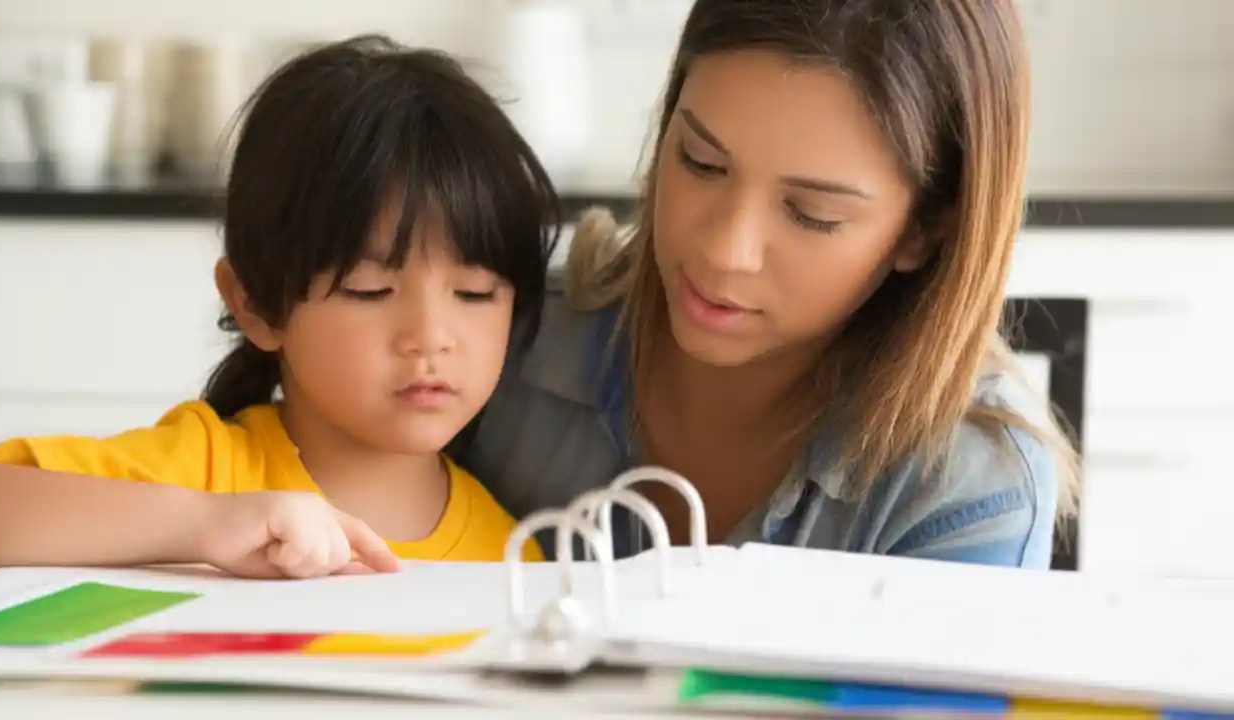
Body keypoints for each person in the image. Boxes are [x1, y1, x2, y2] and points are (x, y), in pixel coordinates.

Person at [457, 0, 1079, 568]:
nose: (725, 252)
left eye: (812, 214)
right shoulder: (497, 336)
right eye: (701, 163)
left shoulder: (971, 489)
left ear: (923, 232)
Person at [0, 35, 557, 579]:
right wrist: (201, 525)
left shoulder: (514, 557)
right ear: (257, 304)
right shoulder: (208, 476)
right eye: (370, 290)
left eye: (475, 292)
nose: (430, 335)